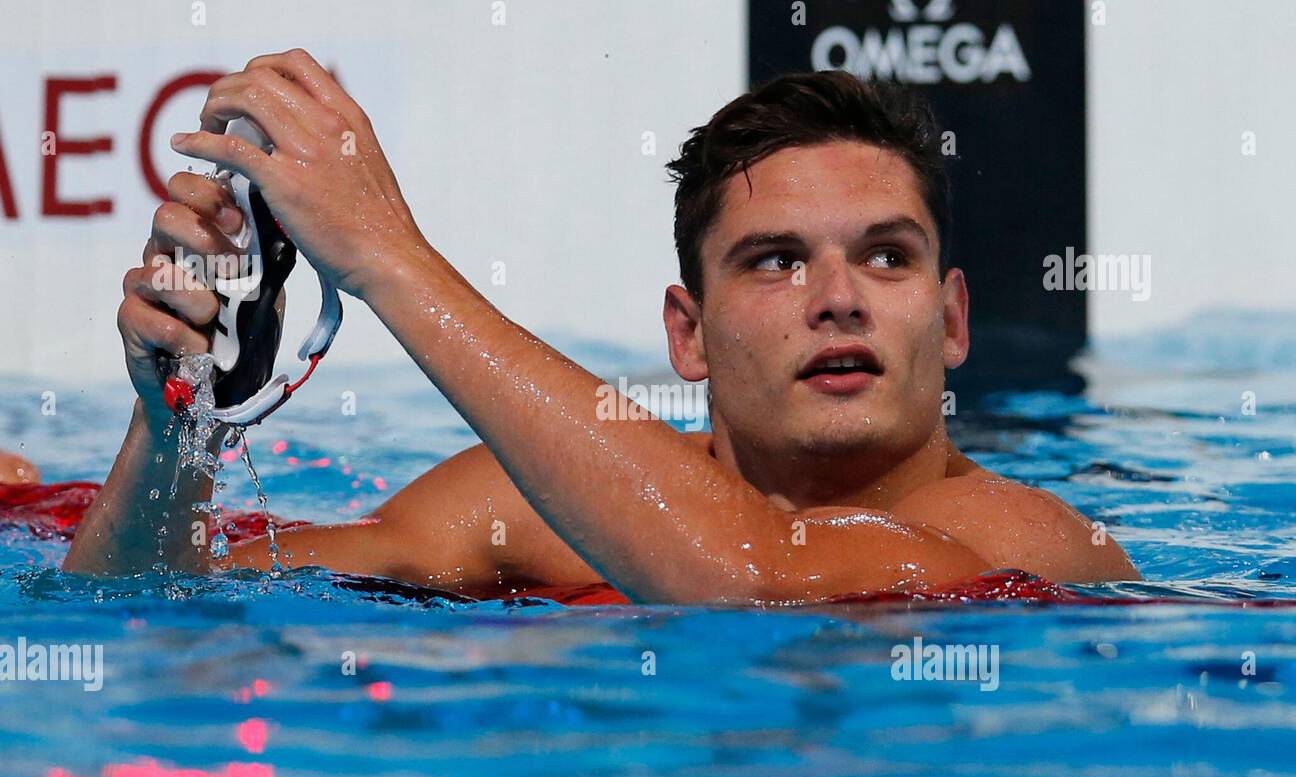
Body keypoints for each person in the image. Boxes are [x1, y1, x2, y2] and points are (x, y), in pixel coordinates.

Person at [63, 51, 1139, 603]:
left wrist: (387, 257)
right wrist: (178, 427)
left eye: (886, 255)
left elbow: (756, 579)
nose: (838, 296)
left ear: (950, 320)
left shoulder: (1035, 547)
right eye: (775, 260)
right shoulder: (524, 508)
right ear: (688, 334)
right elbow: (152, 598)